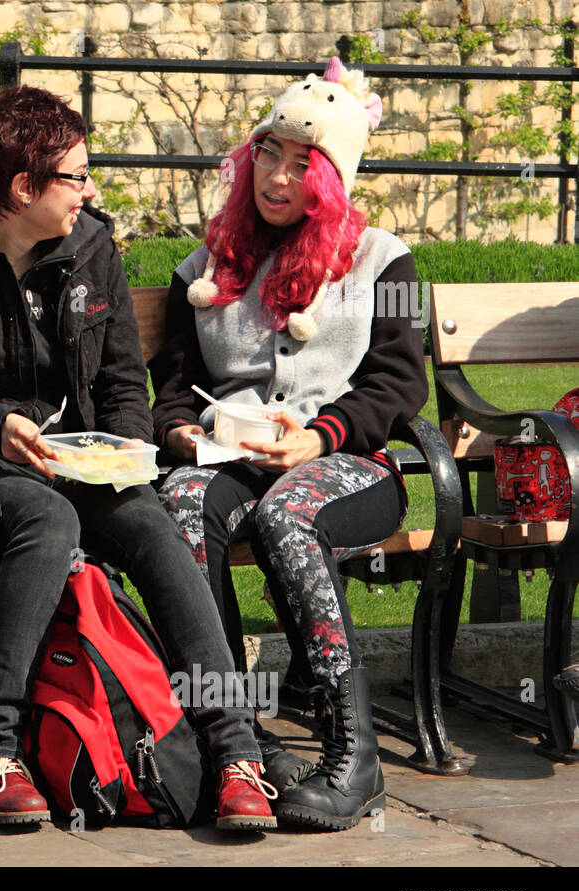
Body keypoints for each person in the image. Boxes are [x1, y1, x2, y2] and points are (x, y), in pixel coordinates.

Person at [0, 85, 277, 829]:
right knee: (49, 521)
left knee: (153, 527)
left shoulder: (93, 248)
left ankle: (235, 753)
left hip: (81, 468)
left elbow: (125, 380)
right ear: (22, 186)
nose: (88, 192)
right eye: (76, 176)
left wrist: (124, 449)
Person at [151, 57, 427, 830]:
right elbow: (170, 389)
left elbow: (401, 387)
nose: (277, 177)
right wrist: (179, 430)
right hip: (231, 455)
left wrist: (318, 438)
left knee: (289, 515)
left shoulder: (387, 261)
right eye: (267, 155)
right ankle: (231, 737)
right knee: (177, 502)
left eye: (302, 165)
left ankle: (353, 755)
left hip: (348, 463)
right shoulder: (202, 268)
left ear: (333, 177)